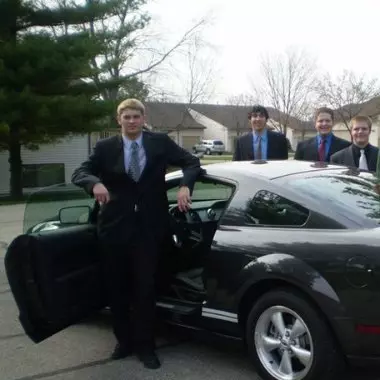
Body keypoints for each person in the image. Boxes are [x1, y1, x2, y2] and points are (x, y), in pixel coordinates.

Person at [71, 99, 201, 369]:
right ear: (118, 119)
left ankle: (146, 346)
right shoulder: (104, 147)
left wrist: (185, 186)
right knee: (117, 290)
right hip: (114, 230)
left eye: (136, 116)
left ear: (144, 118)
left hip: (149, 230)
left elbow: (191, 162)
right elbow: (80, 172)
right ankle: (124, 341)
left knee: (144, 289)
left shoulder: (159, 142)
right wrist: (94, 183)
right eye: (126, 117)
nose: (131, 121)